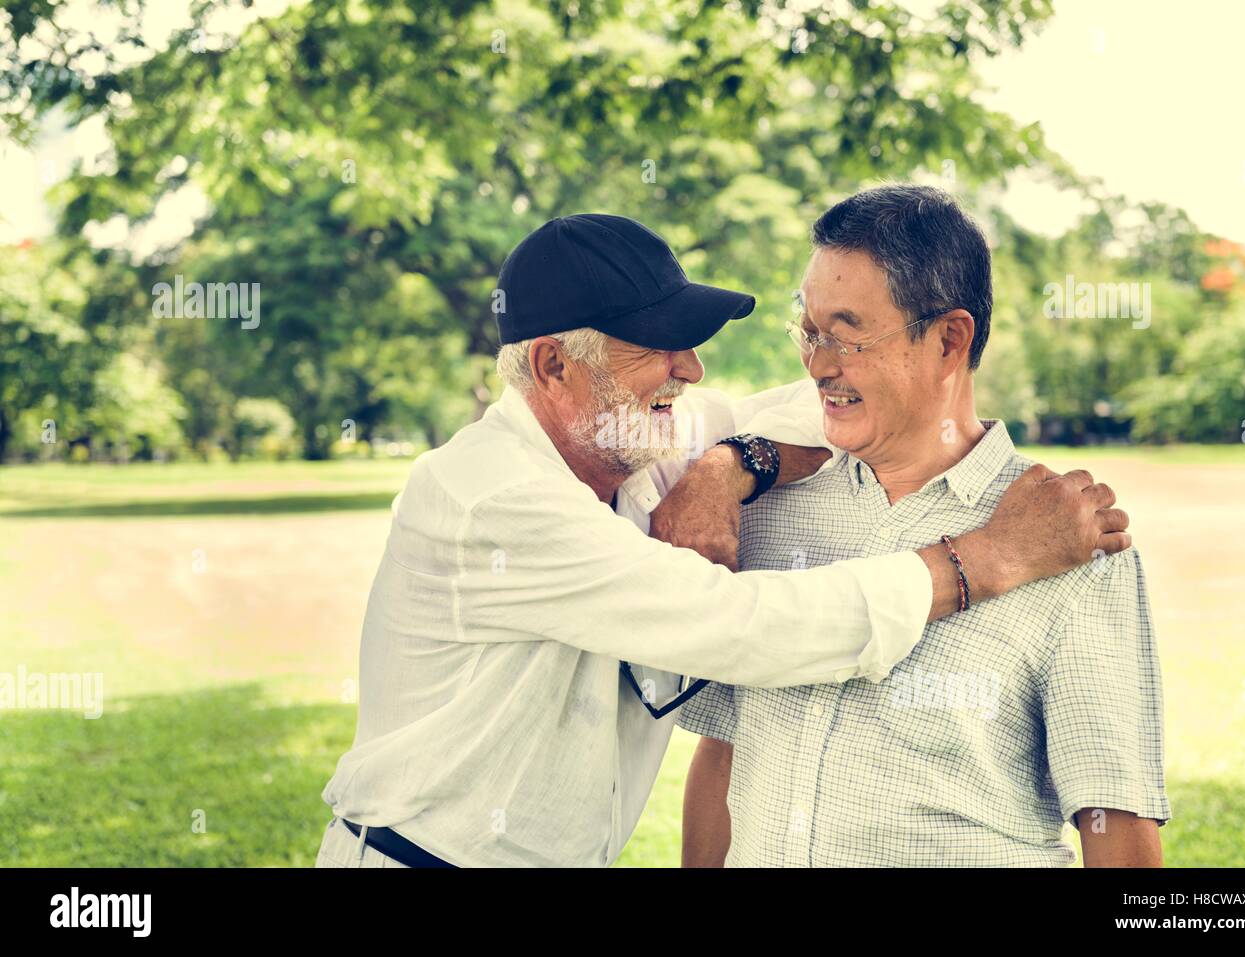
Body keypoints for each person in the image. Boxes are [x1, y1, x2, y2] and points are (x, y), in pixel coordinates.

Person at [315, 212, 1131, 868]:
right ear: (555, 365)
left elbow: (827, 400)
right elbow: (746, 627)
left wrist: (727, 465)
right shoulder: (490, 497)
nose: (692, 369)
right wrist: (987, 556)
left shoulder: (636, 439)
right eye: (657, 345)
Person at [676, 185, 1168, 867]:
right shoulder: (769, 510)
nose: (818, 365)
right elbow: (726, 750)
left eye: (847, 334)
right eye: (810, 332)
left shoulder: (1076, 544)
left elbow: (1115, 821)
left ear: (948, 340)